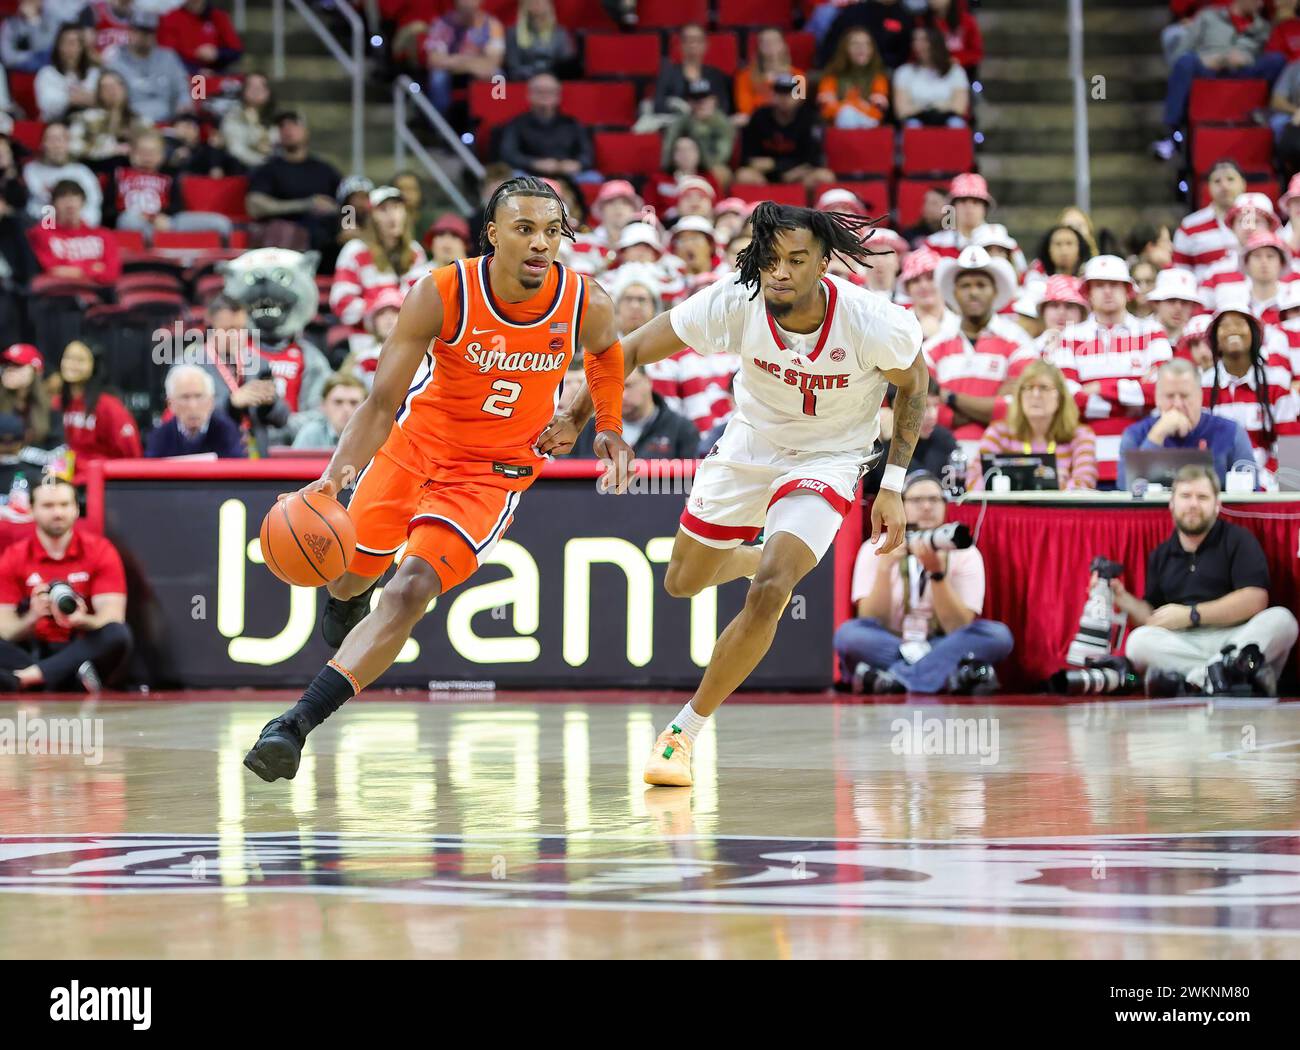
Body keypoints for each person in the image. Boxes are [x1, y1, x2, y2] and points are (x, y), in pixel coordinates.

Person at [242, 176, 631, 784]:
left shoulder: (587, 300)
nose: (539, 244)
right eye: (524, 229)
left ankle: (294, 727)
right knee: (349, 582)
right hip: (413, 448)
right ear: (492, 234)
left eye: (552, 232)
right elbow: (378, 404)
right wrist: (329, 483)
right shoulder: (441, 292)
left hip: (490, 474)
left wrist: (601, 421)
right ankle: (348, 598)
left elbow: (608, 353)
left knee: (410, 589)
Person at [543, 201, 929, 787]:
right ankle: (752, 556)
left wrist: (893, 484)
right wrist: (579, 415)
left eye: (797, 260)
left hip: (830, 459)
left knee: (773, 587)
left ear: (825, 262)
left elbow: (915, 385)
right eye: (770, 259)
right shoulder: (736, 299)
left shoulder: (873, 321)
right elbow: (636, 349)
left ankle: (683, 733)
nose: (780, 272)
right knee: (682, 581)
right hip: (748, 448)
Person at [1114, 464, 1298, 695]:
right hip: (1183, 642)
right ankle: (1226, 678)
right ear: (1172, 504)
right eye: (1185, 496)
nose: (1193, 504)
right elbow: (1154, 617)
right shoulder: (1161, 554)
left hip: (1236, 636)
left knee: (1283, 620)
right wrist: (1122, 598)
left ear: (1216, 505)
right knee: (1138, 642)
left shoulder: (1238, 540)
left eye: (1202, 497)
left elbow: (1256, 598)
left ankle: (1200, 679)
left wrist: (1192, 615)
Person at [834, 470, 1012, 694]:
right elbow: (871, 619)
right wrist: (884, 568)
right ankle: (946, 673)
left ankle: (896, 678)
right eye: (917, 500)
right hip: (893, 642)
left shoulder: (964, 552)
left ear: (945, 505)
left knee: (998, 636)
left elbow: (958, 627)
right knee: (850, 636)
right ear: (901, 505)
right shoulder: (875, 548)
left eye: (934, 499)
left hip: (942, 641)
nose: (927, 507)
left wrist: (937, 574)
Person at [0, 478, 131, 693]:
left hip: (81, 647)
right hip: (33, 648)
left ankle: (25, 679)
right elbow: (5, 630)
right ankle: (61, 679)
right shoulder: (14, 557)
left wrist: (81, 620)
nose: (57, 513)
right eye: (48, 506)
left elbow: (113, 616)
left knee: (118, 634)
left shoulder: (99, 550)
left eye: (64, 505)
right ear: (31, 510)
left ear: (76, 509)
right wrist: (32, 616)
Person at [1052, 255, 1173, 485]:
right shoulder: (1070, 336)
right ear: (1087, 292)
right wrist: (1133, 396)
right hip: (1087, 461)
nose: (1107, 291)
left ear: (1128, 290)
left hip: (1142, 456)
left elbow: (1161, 392)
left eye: (1114, 285)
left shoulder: (1151, 331)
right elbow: (1068, 398)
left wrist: (1098, 389)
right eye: (1099, 285)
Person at [924, 245, 1029, 443]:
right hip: (943, 458)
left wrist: (949, 397)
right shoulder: (932, 347)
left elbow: (1017, 408)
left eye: (981, 285)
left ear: (995, 291)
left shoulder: (1018, 340)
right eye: (965, 286)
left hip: (1002, 455)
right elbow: (927, 412)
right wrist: (990, 408)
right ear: (954, 292)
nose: (973, 292)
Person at [1156, 0, 1285, 160]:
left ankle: (1268, 120)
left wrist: (1248, 60)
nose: (1260, 5)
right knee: (1185, 62)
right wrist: (1205, 59)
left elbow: (1266, 58)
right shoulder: (1208, 16)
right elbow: (1178, 55)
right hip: (1208, 70)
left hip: (1244, 72)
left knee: (1277, 60)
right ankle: (1172, 134)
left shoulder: (1264, 28)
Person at [1117, 358, 1256, 488]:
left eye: (1184, 396)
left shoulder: (1231, 433)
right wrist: (1157, 435)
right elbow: (1125, 489)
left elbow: (1252, 490)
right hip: (1153, 513)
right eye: (1170, 396)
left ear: (1200, 396)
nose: (1177, 404)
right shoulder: (1135, 435)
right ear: (1157, 398)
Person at [1201, 291, 1299, 474]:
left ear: (1254, 334)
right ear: (1215, 340)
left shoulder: (1276, 383)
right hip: (1216, 488)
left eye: (1240, 323)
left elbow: (1291, 451)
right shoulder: (1202, 386)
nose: (1232, 330)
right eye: (1224, 325)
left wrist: (1263, 484)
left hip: (1268, 490)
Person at [975, 361, 1098, 490]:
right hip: (1006, 510)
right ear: (1019, 396)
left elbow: (1084, 484)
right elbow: (975, 481)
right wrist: (1052, 481)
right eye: (1028, 388)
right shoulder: (998, 432)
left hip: (1060, 510)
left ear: (1061, 397)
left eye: (1044, 388)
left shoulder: (1080, 436)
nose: (1035, 395)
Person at [330, 187, 430, 335]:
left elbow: (422, 300)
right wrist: (382, 310)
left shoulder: (415, 251)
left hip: (407, 338)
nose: (392, 217)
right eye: (383, 210)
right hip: (366, 339)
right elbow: (341, 302)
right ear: (372, 216)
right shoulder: (355, 251)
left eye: (396, 208)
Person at [102, 127, 231, 237]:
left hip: (166, 222)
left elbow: (178, 207)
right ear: (131, 153)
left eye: (152, 152)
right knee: (127, 220)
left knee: (221, 222)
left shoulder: (170, 175)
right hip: (132, 223)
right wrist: (145, 218)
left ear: (161, 155)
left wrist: (162, 217)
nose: (147, 157)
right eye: (142, 152)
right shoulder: (118, 173)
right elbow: (107, 212)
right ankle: (153, 249)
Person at [245, 111, 342, 255]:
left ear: (306, 131)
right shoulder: (269, 169)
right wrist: (307, 204)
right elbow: (254, 206)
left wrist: (349, 226)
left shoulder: (325, 170)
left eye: (294, 124)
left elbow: (351, 204)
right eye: (282, 126)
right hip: (285, 244)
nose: (287, 130)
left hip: (327, 243)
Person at [47, 339, 140, 487]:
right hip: (62, 483)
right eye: (68, 358)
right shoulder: (57, 403)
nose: (72, 364)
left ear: (94, 365)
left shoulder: (108, 405)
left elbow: (131, 454)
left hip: (100, 485)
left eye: (80, 360)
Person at [734, 74, 835, 189]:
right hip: (765, 176)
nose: (785, 98)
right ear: (773, 95)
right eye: (780, 93)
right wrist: (771, 167)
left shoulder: (811, 119)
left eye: (791, 93)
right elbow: (748, 158)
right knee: (743, 176)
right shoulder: (759, 116)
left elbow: (816, 160)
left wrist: (776, 164)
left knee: (824, 176)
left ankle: (809, 206)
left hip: (798, 173)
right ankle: (761, 204)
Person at [573, 366, 698, 459]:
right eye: (615, 388)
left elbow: (693, 482)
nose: (622, 395)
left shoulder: (681, 429)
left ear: (648, 381)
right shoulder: (587, 430)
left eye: (629, 386)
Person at [496, 74, 596, 182]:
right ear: (529, 95)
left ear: (558, 96)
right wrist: (534, 163)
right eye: (539, 92)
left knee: (593, 178)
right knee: (514, 177)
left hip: (567, 174)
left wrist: (577, 164)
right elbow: (508, 154)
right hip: (529, 173)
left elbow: (587, 154)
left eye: (549, 91)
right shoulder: (516, 124)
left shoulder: (572, 124)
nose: (544, 96)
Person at [862, 383, 955, 495]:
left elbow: (924, 489)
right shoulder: (878, 443)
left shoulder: (943, 439)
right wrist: (892, 442)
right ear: (897, 406)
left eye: (935, 405)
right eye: (923, 406)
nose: (933, 415)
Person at [26, 179, 121, 286]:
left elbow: (112, 273)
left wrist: (72, 270)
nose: (69, 202)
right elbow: (51, 269)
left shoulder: (104, 235)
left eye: (74, 196)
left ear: (83, 202)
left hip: (99, 293)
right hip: (59, 293)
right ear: (53, 204)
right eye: (62, 197)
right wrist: (93, 268)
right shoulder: (41, 234)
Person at [421, 0, 505, 117]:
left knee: (498, 76)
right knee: (437, 77)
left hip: (477, 71)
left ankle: (495, 118)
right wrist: (470, 63)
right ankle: (438, 122)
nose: (467, 3)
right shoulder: (442, 24)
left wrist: (456, 60)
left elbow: (494, 61)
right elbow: (434, 60)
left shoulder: (492, 25)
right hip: (451, 72)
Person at [106, 12, 192, 125]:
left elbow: (183, 88)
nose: (144, 37)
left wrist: (184, 105)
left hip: (168, 123)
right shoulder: (116, 59)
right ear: (129, 32)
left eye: (149, 32)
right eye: (139, 31)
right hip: (131, 124)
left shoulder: (168, 57)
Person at [145, 364, 246, 458]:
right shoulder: (160, 437)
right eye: (185, 397)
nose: (193, 405)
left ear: (211, 401)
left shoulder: (227, 431)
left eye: (199, 396)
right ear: (170, 404)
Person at [1172, 160, 1247, 280]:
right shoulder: (1189, 225)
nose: (1224, 186)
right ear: (1208, 187)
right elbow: (1180, 273)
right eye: (1217, 181)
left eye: (1230, 179)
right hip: (1205, 296)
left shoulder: (1260, 220)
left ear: (1243, 184)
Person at [24, 121, 103, 227]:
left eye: (61, 139)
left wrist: (78, 226)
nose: (57, 145)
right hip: (44, 231)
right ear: (42, 144)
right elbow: (32, 207)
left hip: (79, 233)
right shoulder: (31, 170)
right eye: (51, 139)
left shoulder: (82, 172)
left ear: (68, 143)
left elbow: (94, 204)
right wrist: (53, 228)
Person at [661, 84, 735, 190]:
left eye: (705, 99)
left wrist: (698, 133)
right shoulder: (681, 121)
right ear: (689, 103)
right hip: (682, 165)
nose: (701, 104)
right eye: (696, 100)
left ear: (714, 100)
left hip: (709, 166)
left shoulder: (722, 124)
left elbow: (719, 158)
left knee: (719, 172)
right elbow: (667, 153)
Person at [894, 25, 970, 128]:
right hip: (916, 120)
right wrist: (931, 108)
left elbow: (959, 108)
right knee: (912, 125)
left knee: (956, 124)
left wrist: (930, 108)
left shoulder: (955, 71)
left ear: (936, 43)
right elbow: (902, 111)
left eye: (924, 40)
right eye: (915, 40)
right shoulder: (904, 72)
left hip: (946, 119)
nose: (918, 45)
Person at [817, 27, 891, 129]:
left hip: (869, 131)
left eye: (867, 44)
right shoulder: (832, 76)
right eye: (855, 44)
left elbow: (877, 115)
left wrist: (846, 104)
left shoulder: (878, 77)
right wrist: (859, 104)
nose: (862, 48)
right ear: (845, 48)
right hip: (837, 131)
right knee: (847, 114)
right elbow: (827, 112)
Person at [68, 70, 145, 168]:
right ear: (99, 93)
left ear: (125, 89)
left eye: (117, 84)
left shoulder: (139, 121)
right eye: (106, 87)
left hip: (131, 172)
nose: (113, 90)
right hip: (95, 168)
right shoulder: (84, 118)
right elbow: (73, 147)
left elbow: (154, 146)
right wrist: (109, 151)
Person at [654, 23, 731, 116]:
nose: (693, 44)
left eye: (697, 40)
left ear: (705, 45)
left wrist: (709, 108)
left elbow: (724, 106)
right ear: (681, 45)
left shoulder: (715, 75)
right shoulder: (668, 74)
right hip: (677, 123)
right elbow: (658, 105)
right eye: (688, 40)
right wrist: (685, 108)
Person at [734, 27, 803, 124]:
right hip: (757, 124)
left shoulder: (799, 76)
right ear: (759, 48)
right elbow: (745, 109)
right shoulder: (744, 76)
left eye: (775, 41)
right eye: (765, 42)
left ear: (783, 45)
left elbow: (798, 107)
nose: (771, 45)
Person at [820, 0, 912, 70]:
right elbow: (829, 48)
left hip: (885, 74)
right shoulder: (853, 12)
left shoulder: (905, 17)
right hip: (846, 72)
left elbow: (903, 55)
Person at [36, 22, 100, 122]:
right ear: (58, 46)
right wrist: (70, 99)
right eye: (66, 42)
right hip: (57, 125)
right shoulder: (46, 74)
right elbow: (46, 106)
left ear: (82, 47)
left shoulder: (93, 73)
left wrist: (90, 99)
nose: (71, 48)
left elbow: (102, 101)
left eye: (75, 43)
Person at [923, 173, 995, 260]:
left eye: (976, 202)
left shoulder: (1001, 241)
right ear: (953, 206)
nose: (969, 207)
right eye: (963, 201)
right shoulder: (934, 244)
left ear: (985, 208)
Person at [157, 0, 243, 73]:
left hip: (216, 74)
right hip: (185, 76)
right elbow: (166, 57)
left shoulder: (218, 16)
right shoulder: (170, 18)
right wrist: (196, 70)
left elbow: (236, 51)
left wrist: (217, 53)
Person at [291, 373, 366, 450]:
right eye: (338, 402)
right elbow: (294, 462)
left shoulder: (374, 436)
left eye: (353, 403)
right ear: (323, 405)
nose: (346, 409)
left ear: (366, 407)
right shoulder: (311, 434)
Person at [504, 0, 574, 82]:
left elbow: (567, 65)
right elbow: (513, 67)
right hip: (524, 81)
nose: (537, 3)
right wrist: (536, 76)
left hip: (553, 82)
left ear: (549, 5)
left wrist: (549, 77)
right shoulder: (513, 33)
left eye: (542, 1)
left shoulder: (560, 34)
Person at [0, 343, 53, 448]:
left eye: (17, 365)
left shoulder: (51, 406)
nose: (9, 370)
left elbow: (58, 452)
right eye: (6, 365)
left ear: (35, 370)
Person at [220, 72, 275, 170]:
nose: (256, 90)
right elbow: (236, 150)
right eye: (251, 86)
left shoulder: (278, 118)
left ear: (269, 92)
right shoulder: (233, 116)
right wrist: (263, 162)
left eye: (261, 86)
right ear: (243, 91)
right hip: (245, 168)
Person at [1147, 267, 1204, 347]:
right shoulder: (1138, 334)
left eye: (1185, 302)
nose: (1178, 308)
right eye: (1172, 300)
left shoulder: (1197, 341)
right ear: (1156, 303)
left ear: (1193, 306)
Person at [0, 0, 59, 72]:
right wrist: (31, 56)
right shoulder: (10, 24)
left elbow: (49, 49)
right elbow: (8, 57)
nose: (30, 2)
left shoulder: (52, 21)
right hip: (19, 72)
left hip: (48, 71)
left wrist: (34, 21)